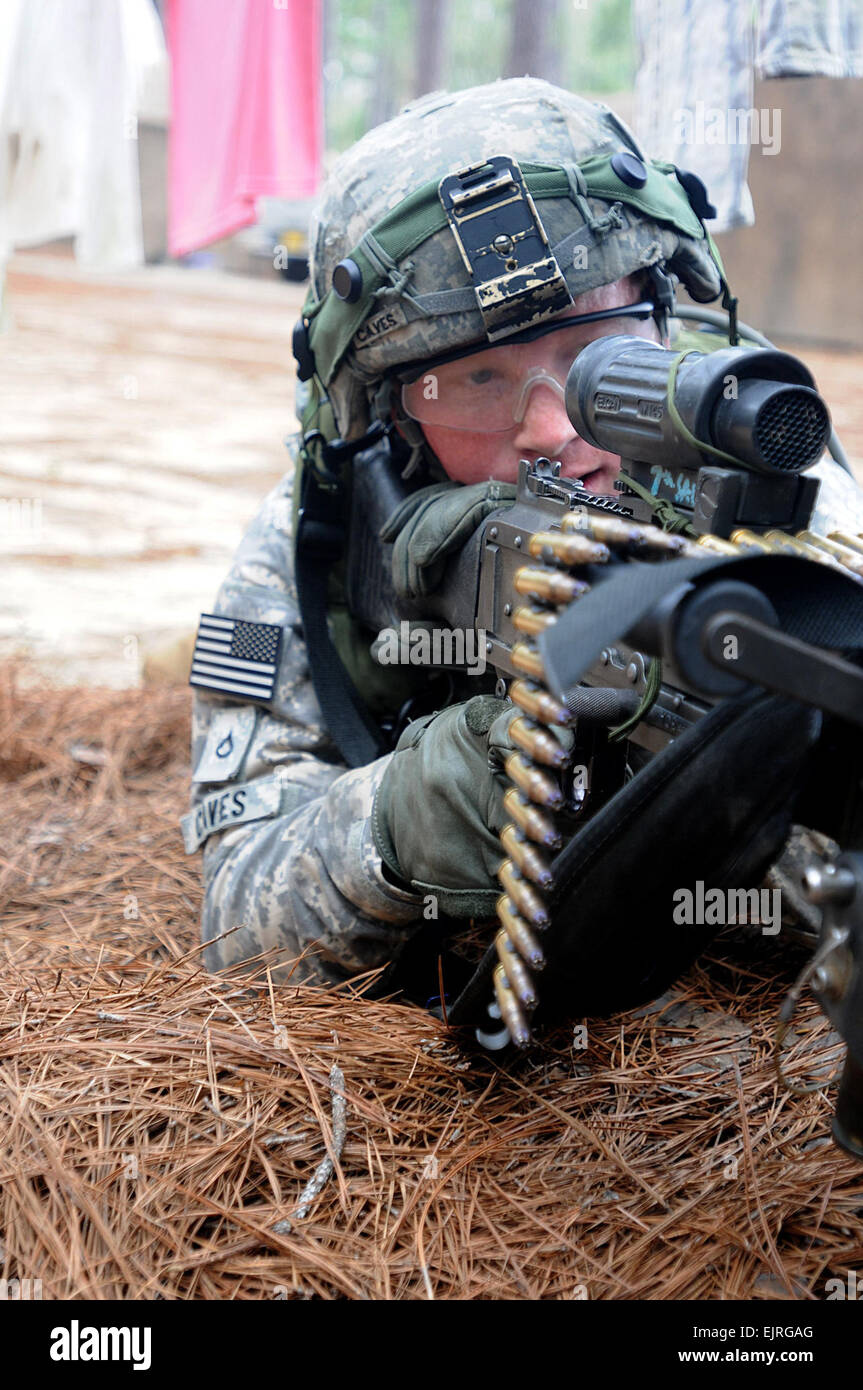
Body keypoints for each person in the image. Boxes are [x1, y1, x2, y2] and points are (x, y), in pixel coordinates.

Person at [182, 77, 863, 993]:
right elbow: (237, 920)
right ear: (390, 410)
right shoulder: (313, 541)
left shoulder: (754, 464)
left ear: (658, 317)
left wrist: (717, 779)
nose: (551, 430)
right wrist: (416, 810)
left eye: (595, 357)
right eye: (476, 381)